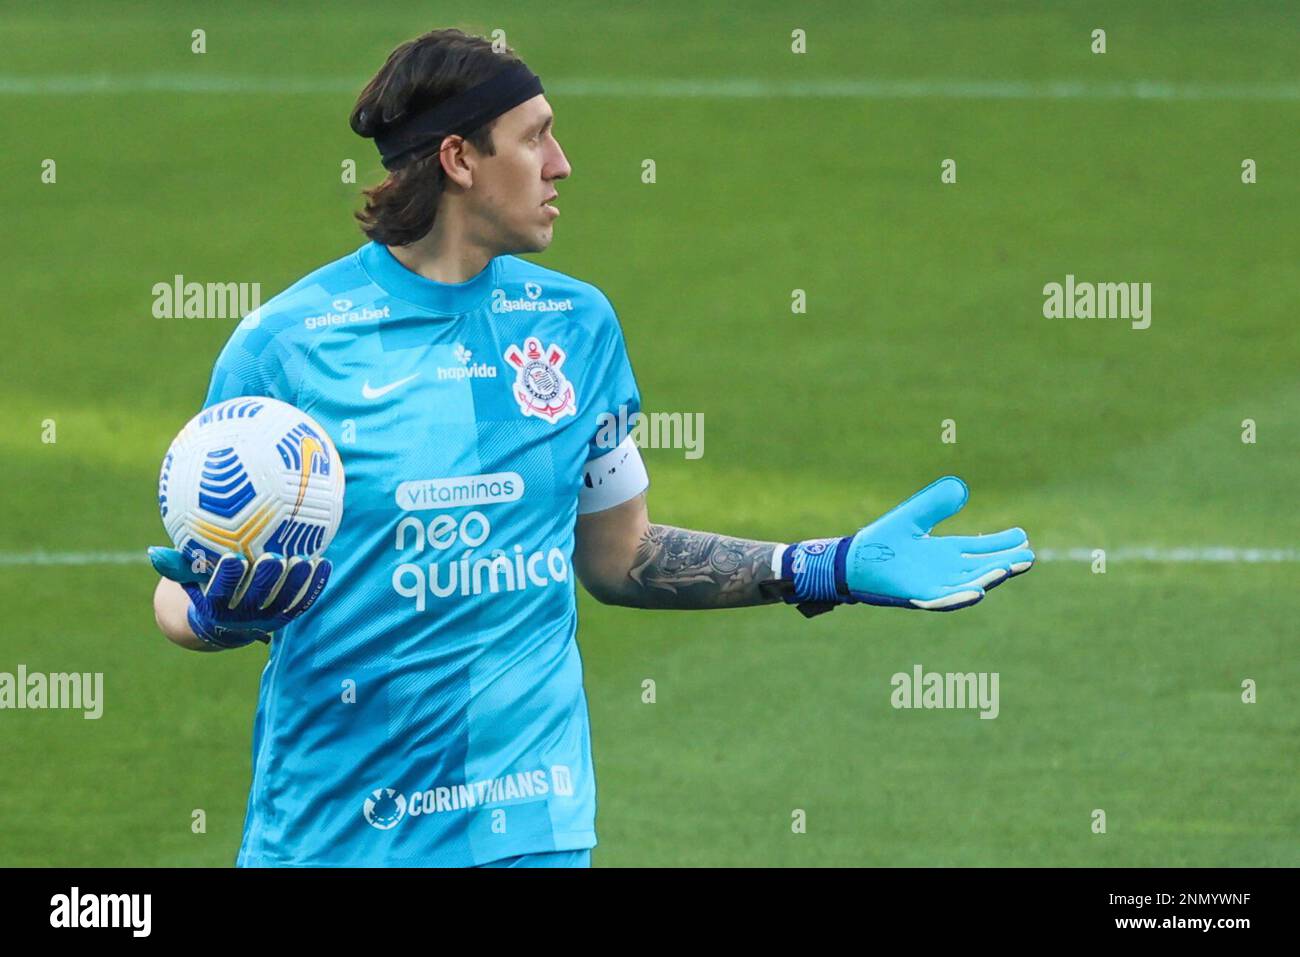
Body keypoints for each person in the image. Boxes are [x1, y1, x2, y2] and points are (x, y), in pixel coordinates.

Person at [149, 28, 1034, 868]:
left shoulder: (575, 325)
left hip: (530, 824)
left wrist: (819, 566)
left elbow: (620, 555)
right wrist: (217, 617)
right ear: (459, 159)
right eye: (535, 138)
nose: (561, 163)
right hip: (337, 832)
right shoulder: (290, 345)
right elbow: (182, 584)